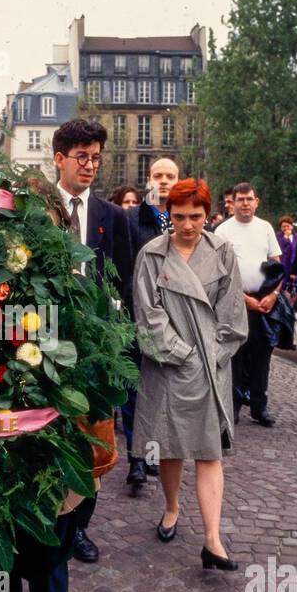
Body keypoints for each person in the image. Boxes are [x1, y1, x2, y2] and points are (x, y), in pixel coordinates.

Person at [0, 178, 91, 592]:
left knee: (49, 554)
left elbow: (92, 375)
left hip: (50, 449)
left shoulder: (77, 296)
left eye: (43, 229)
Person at [132, 179, 247, 568]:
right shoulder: (152, 255)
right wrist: (181, 353)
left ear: (208, 214)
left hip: (211, 367)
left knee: (210, 452)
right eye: (179, 216)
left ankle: (213, 540)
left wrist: (211, 355)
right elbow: (147, 316)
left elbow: (233, 315)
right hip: (169, 366)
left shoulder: (223, 252)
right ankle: (170, 507)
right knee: (171, 446)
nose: (187, 225)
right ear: (169, 215)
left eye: (196, 217)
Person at [51, 118, 135, 564]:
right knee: (50, 428)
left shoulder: (112, 215)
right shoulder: (35, 209)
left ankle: (80, 527)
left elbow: (122, 278)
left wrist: (117, 338)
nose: (89, 166)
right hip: (46, 335)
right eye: (81, 157)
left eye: (96, 158)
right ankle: (49, 519)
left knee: (95, 435)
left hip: (96, 343)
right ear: (59, 158)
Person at [123, 156, 178, 490]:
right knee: (133, 390)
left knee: (160, 391)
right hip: (136, 317)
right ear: (148, 179)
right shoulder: (131, 219)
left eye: (170, 175)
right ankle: (136, 460)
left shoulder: (184, 218)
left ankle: (153, 452)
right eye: (158, 175)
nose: (164, 181)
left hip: (173, 321)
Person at [217, 183, 282, 427]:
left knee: (261, 358)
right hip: (235, 303)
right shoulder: (223, 231)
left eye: (249, 199)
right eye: (240, 199)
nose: (245, 203)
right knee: (236, 357)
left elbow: (277, 264)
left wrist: (274, 294)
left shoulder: (265, 228)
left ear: (257, 202)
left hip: (264, 302)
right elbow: (220, 273)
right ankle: (232, 408)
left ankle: (259, 407)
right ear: (232, 202)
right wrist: (244, 300)